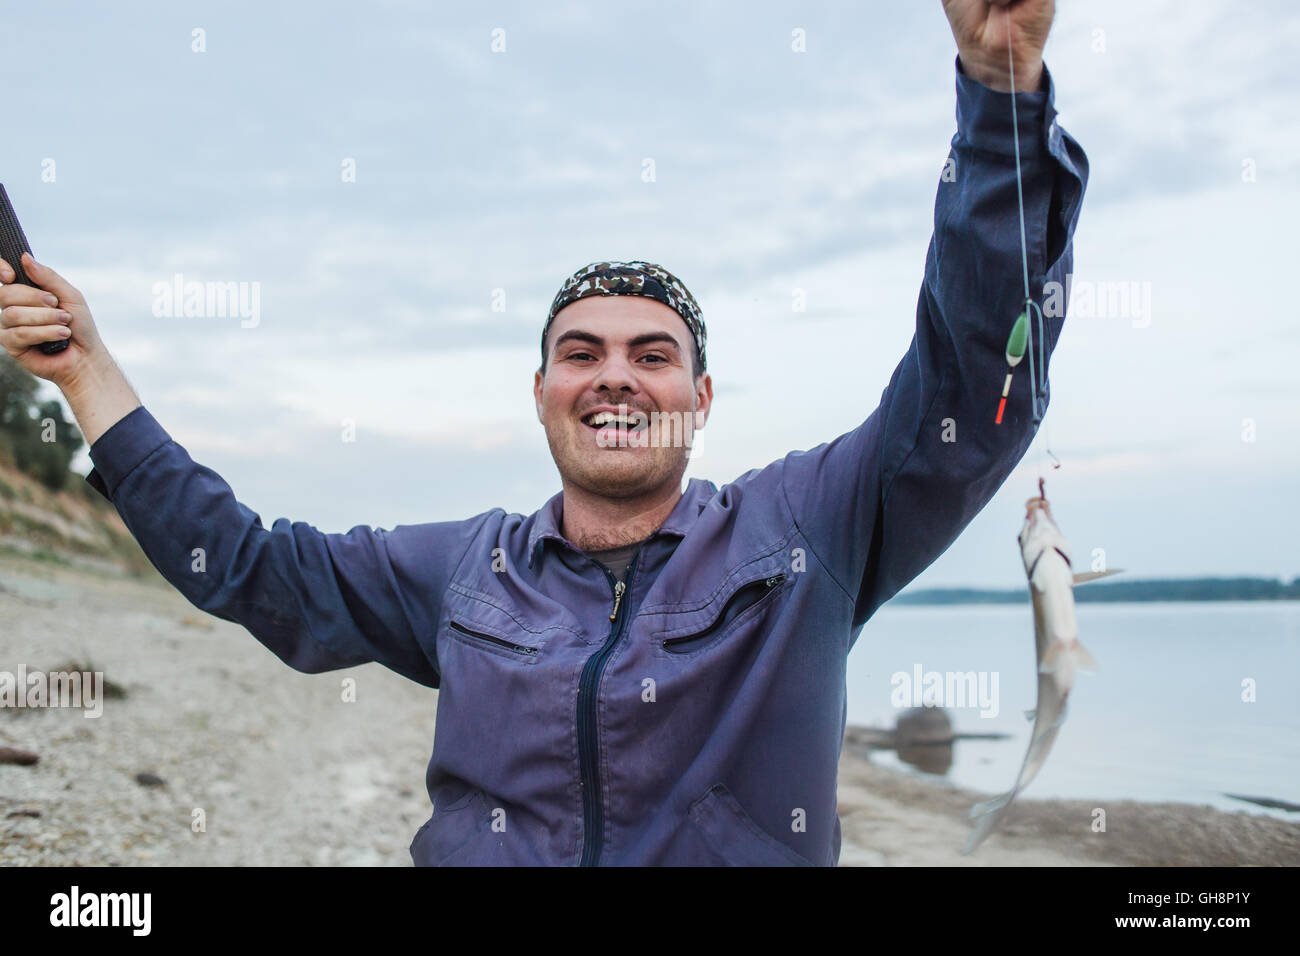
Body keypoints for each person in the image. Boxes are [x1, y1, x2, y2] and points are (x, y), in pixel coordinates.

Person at [0, 0, 1086, 866]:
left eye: (652, 354)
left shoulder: (807, 531)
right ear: (540, 390)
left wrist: (999, 102)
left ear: (701, 398)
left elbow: (977, 370)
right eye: (582, 351)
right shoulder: (459, 569)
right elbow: (241, 564)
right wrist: (88, 371)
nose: (615, 374)